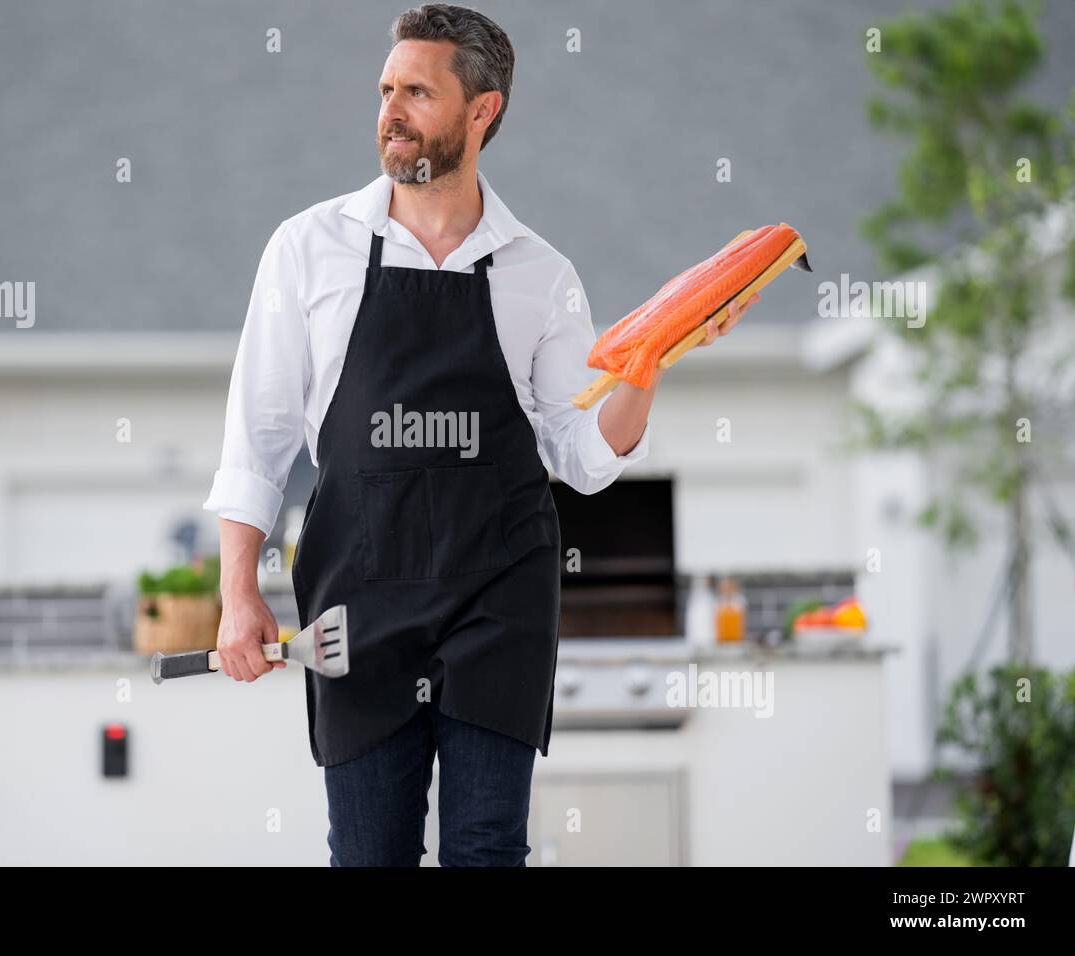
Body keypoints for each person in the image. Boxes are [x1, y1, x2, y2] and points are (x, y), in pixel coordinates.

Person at [203, 3, 753, 867]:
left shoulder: (541, 274)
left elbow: (582, 453)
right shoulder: (308, 249)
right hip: (359, 604)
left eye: (418, 92)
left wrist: (647, 366)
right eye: (387, 88)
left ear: (482, 110)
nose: (392, 110)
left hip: (498, 601)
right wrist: (239, 592)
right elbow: (258, 440)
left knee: (487, 850)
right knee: (368, 853)